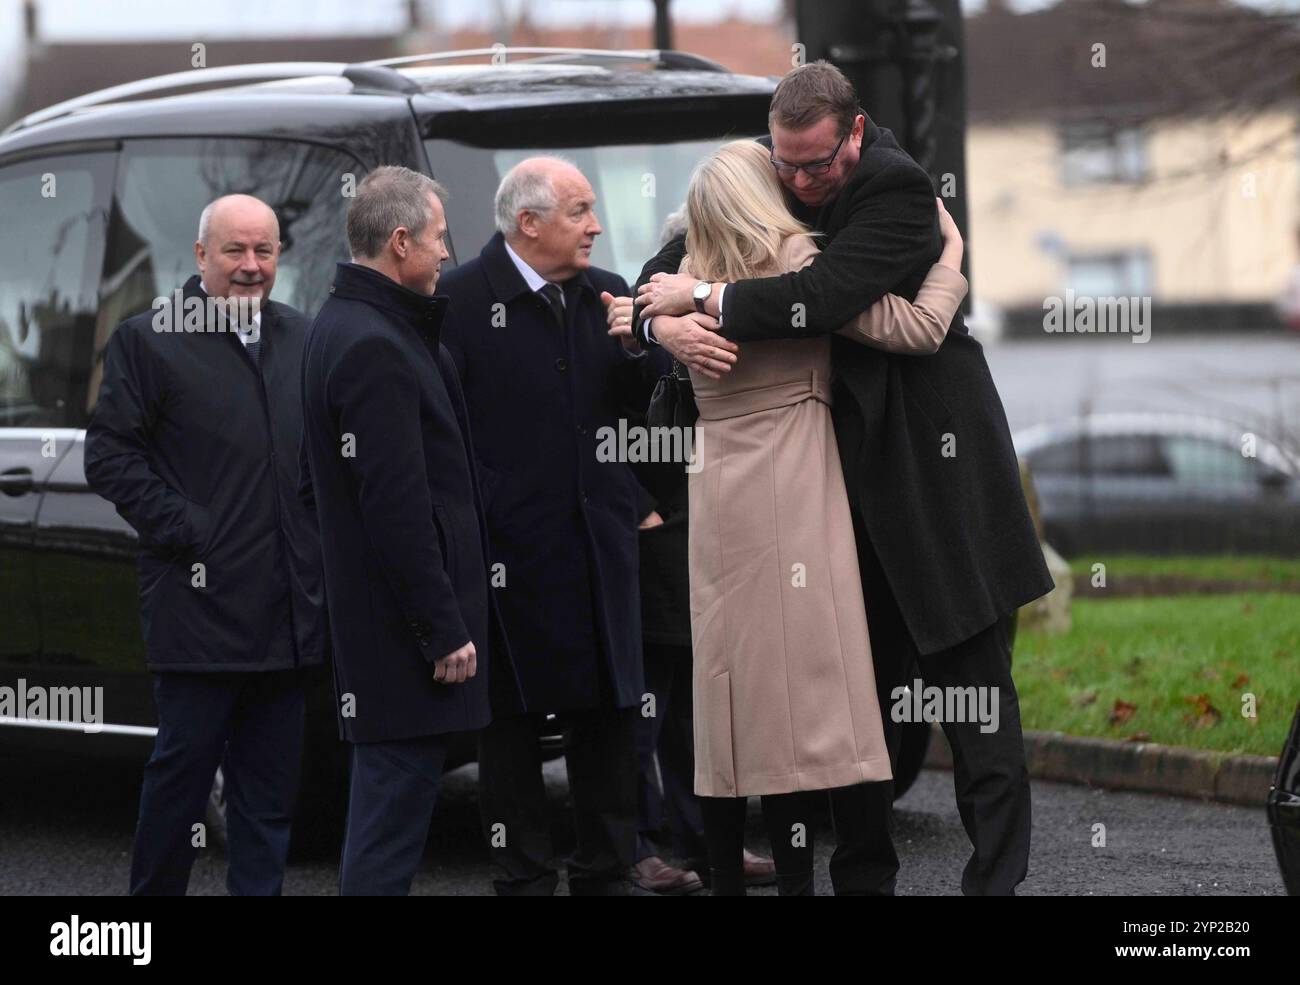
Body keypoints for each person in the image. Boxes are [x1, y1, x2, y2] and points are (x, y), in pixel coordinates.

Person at [636, 61, 1053, 896]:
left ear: (853, 133)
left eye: (816, 166)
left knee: (974, 706)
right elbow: (657, 272)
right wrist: (663, 325)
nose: (798, 181)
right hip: (838, 494)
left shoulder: (896, 190)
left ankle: (995, 883)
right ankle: (864, 880)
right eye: (786, 165)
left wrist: (703, 297)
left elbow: (819, 296)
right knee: (854, 701)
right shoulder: (775, 161)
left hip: (933, 484)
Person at [669, 139, 967, 895]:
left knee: (728, 689)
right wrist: (951, 264)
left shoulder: (682, 278)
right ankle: (808, 878)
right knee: (808, 691)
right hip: (795, 482)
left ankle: (728, 877)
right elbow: (916, 329)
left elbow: (624, 314)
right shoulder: (801, 261)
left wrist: (654, 326)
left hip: (716, 494)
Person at [85, 193, 327, 896]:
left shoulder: (305, 338)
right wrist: (194, 531)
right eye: (234, 251)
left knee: (268, 800)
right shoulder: (148, 338)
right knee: (180, 788)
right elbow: (110, 457)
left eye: (265, 251)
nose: (251, 267)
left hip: (287, 619)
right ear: (199, 256)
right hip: (199, 614)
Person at [438, 157, 664, 895]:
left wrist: (638, 348)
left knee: (610, 718)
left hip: (600, 549)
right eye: (580, 211)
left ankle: (606, 868)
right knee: (509, 732)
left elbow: (640, 416)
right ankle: (524, 876)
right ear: (528, 223)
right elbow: (442, 433)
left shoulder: (609, 294)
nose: (596, 225)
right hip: (508, 558)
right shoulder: (460, 301)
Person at [299, 165, 517, 896]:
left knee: (385, 819)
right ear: (400, 242)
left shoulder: (353, 325)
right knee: (388, 833)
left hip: (385, 636)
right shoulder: (374, 344)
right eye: (438, 238)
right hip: (400, 643)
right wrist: (442, 626)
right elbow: (394, 505)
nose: (449, 254)